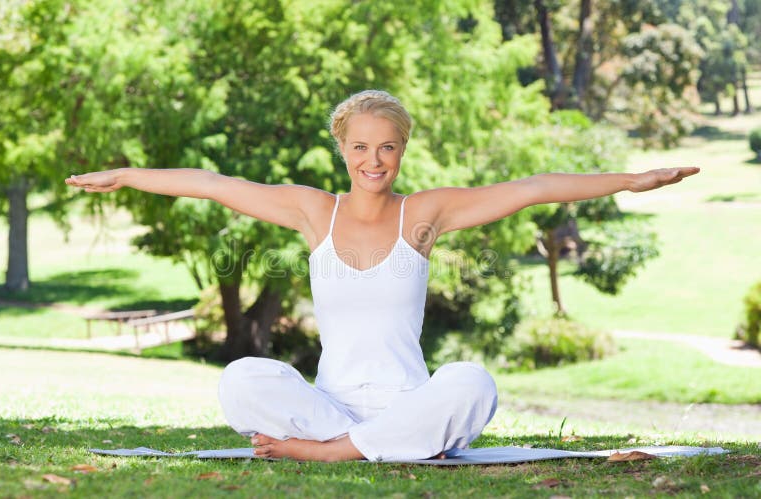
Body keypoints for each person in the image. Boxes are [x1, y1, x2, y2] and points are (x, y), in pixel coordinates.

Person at [65, 90, 699, 463]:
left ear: (402, 151)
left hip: (409, 400)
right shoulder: (314, 212)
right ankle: (386, 444)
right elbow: (213, 184)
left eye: (388, 147)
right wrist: (126, 176)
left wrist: (632, 180)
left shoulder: (423, 215)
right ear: (343, 149)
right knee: (240, 379)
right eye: (362, 147)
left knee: (472, 383)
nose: (375, 160)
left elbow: (532, 188)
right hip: (329, 405)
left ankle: (334, 452)